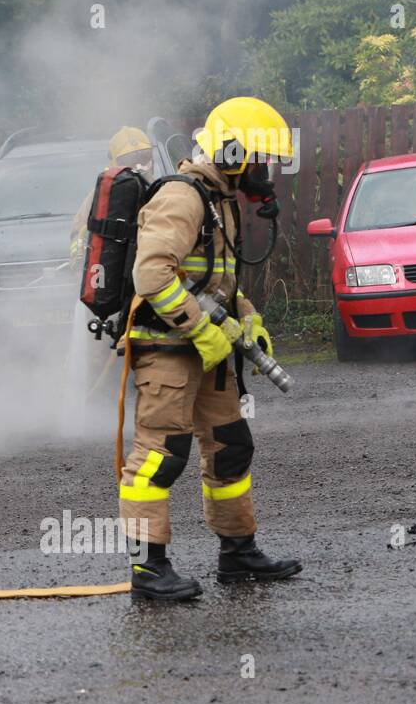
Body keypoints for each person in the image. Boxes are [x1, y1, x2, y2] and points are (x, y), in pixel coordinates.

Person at [119, 97, 302, 601]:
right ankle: (147, 571)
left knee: (230, 447)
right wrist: (200, 329)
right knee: (160, 457)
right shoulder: (182, 197)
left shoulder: (219, 200)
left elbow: (214, 280)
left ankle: (238, 554)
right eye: (259, 159)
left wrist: (248, 319)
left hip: (210, 352)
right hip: (168, 350)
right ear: (233, 152)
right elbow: (152, 274)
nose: (264, 172)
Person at [70, 126, 154, 261]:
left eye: (144, 157)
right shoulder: (100, 195)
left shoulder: (161, 190)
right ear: (114, 162)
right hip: (115, 268)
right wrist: (79, 261)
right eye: (130, 161)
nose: (139, 166)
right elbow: (79, 231)